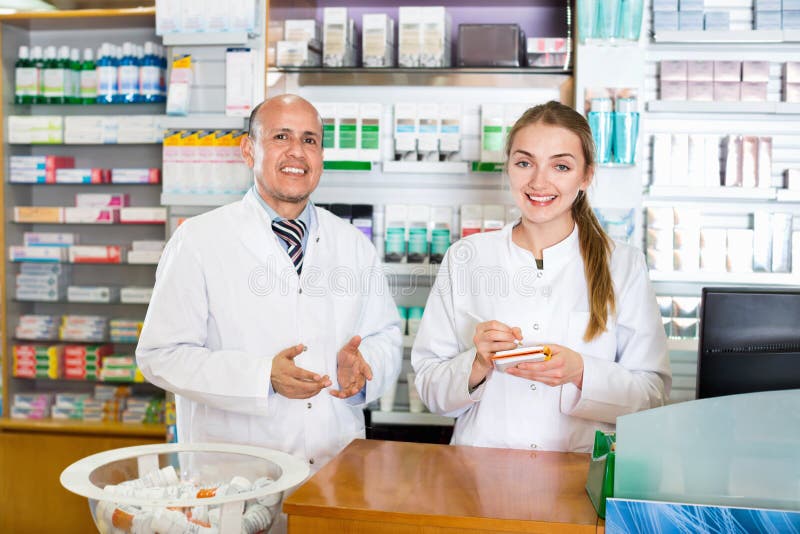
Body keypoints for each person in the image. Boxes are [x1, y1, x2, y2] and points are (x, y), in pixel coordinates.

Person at [137, 94, 403, 471]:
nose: (297, 152)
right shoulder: (198, 240)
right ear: (248, 150)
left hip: (334, 470)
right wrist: (262, 377)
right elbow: (160, 356)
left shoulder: (352, 244)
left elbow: (386, 336)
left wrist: (363, 370)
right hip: (236, 475)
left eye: (309, 140)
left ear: (321, 156)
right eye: (281, 137)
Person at [411, 100, 671, 453]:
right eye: (524, 163)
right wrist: (477, 362)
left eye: (560, 166)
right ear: (508, 168)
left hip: (578, 476)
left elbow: (651, 395)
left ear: (586, 175)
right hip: (480, 473)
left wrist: (581, 371)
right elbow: (429, 388)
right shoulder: (467, 257)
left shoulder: (622, 264)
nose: (538, 182)